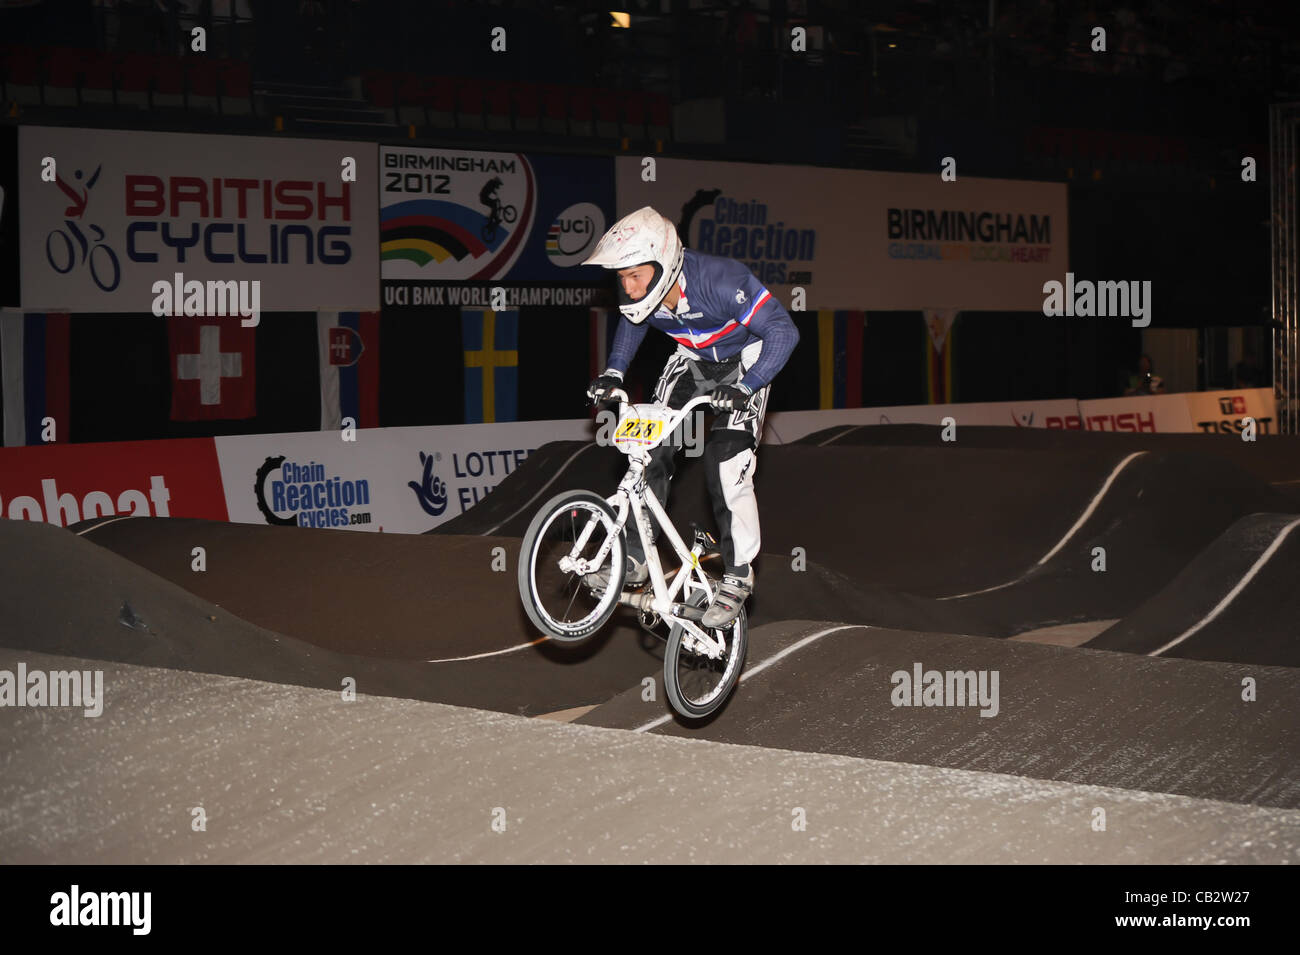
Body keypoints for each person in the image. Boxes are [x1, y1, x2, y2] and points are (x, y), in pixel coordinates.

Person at [583, 206, 800, 628]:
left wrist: (746, 386)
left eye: (635, 277)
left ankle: (738, 575)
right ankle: (633, 556)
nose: (627, 289)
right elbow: (634, 322)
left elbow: (783, 332)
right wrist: (613, 372)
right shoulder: (642, 294)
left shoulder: (721, 280)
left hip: (746, 362)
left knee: (724, 459)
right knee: (646, 449)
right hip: (694, 362)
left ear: (662, 263)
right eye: (621, 278)